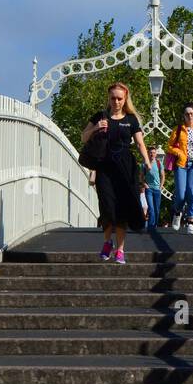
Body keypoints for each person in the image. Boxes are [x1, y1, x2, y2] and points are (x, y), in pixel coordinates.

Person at [80, 81, 151, 265]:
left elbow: (140, 143)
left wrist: (147, 161)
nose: (116, 101)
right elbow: (83, 137)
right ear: (109, 98)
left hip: (126, 169)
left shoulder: (131, 119)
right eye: (113, 98)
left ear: (125, 98)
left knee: (122, 210)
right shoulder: (100, 116)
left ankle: (120, 250)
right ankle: (106, 242)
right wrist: (96, 128)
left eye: (120, 98)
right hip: (105, 168)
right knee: (107, 206)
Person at [166, 103, 193, 234]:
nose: (189, 116)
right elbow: (169, 146)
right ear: (184, 116)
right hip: (182, 165)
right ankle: (177, 212)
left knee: (192, 193)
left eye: (191, 113)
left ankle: (190, 222)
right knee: (181, 194)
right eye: (187, 114)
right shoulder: (178, 130)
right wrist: (178, 152)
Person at [141, 144, 163, 230]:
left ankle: (155, 225)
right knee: (151, 208)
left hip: (157, 189)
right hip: (149, 189)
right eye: (150, 153)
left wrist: (161, 186)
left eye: (154, 153)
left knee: (157, 209)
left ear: (156, 154)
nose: (152, 154)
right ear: (148, 153)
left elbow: (162, 176)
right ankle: (151, 227)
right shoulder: (144, 164)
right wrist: (144, 184)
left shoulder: (159, 163)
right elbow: (141, 176)